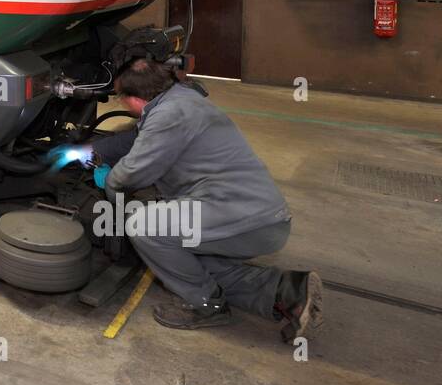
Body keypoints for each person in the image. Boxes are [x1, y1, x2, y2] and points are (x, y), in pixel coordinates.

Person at [91, 57, 322, 340]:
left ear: (136, 101)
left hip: (243, 219)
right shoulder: (183, 98)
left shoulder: (168, 117)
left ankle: (206, 306)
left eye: (122, 99)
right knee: (189, 263)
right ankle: (287, 292)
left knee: (145, 227)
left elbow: (131, 175)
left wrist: (108, 179)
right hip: (262, 217)